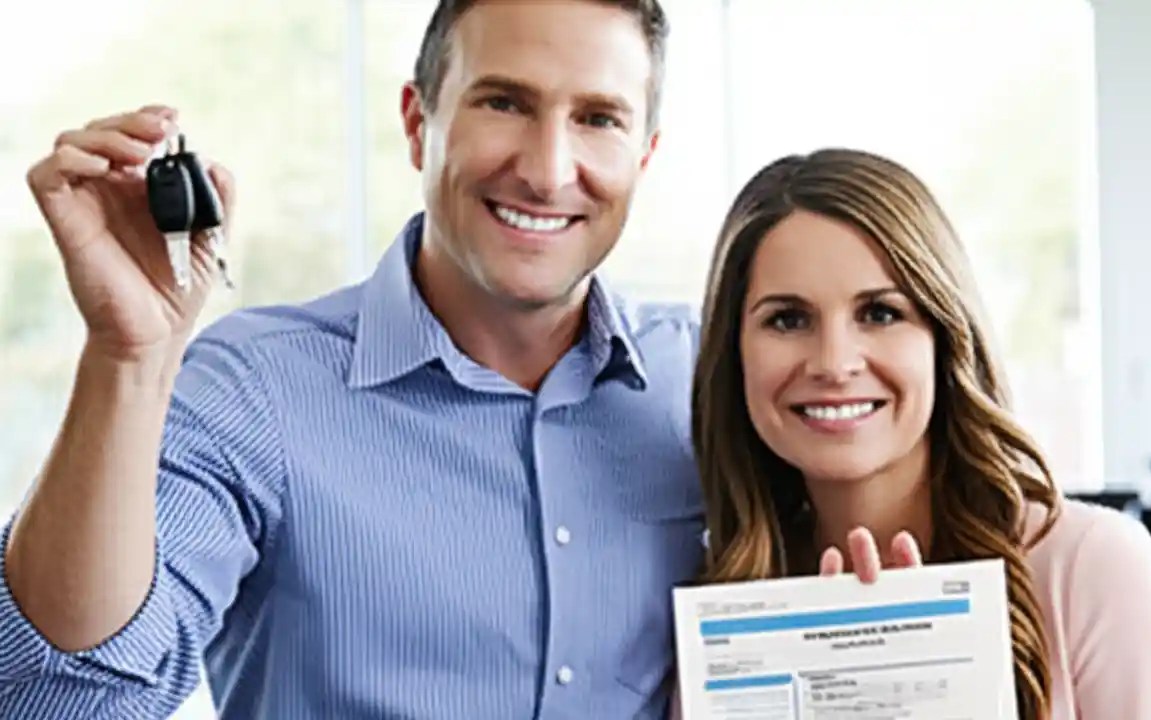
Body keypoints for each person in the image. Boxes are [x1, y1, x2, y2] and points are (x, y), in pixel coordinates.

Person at [0, 1, 706, 717]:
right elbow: (63, 701)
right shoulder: (255, 391)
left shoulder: (711, 380)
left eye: (599, 119)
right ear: (416, 121)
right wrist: (128, 358)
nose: (549, 171)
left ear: (643, 155)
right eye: (504, 102)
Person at [684, 148, 1151, 718]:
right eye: (788, 320)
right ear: (734, 354)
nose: (834, 363)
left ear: (945, 337)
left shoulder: (1088, 566)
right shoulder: (721, 603)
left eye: (881, 313)